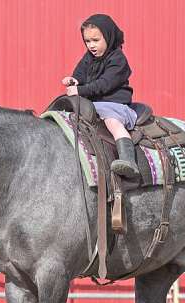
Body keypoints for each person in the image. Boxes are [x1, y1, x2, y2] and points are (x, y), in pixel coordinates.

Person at [62, 14, 139, 179]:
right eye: (87, 41)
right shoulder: (89, 57)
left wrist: (80, 91)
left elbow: (104, 84)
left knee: (113, 123)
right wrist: (74, 80)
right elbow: (81, 73)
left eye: (96, 40)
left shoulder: (118, 60)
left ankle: (128, 161)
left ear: (108, 36)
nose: (91, 45)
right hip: (94, 104)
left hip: (114, 105)